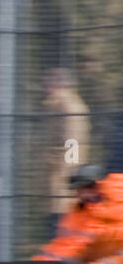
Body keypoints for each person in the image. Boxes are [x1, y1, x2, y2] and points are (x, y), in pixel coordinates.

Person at [33, 164, 123, 264]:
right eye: (79, 190)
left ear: (98, 185)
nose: (81, 195)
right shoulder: (80, 214)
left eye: (84, 188)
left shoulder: (116, 206)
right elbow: (66, 245)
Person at [42, 68, 92, 237]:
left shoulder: (68, 106)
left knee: (62, 227)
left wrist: (69, 177)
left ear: (58, 84)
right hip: (57, 176)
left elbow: (73, 141)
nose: (45, 87)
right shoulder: (58, 105)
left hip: (63, 179)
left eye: (48, 83)